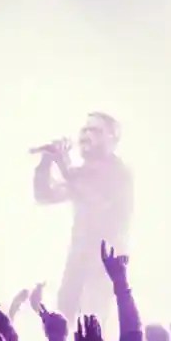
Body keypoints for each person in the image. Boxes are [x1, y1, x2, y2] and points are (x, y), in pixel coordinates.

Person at [32, 111, 133, 320]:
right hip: (76, 262)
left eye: (95, 130)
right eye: (84, 129)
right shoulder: (80, 173)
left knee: (92, 324)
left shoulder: (120, 173)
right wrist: (45, 162)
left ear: (113, 139)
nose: (86, 135)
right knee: (62, 323)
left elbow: (91, 196)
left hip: (105, 265)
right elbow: (45, 195)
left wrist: (62, 162)